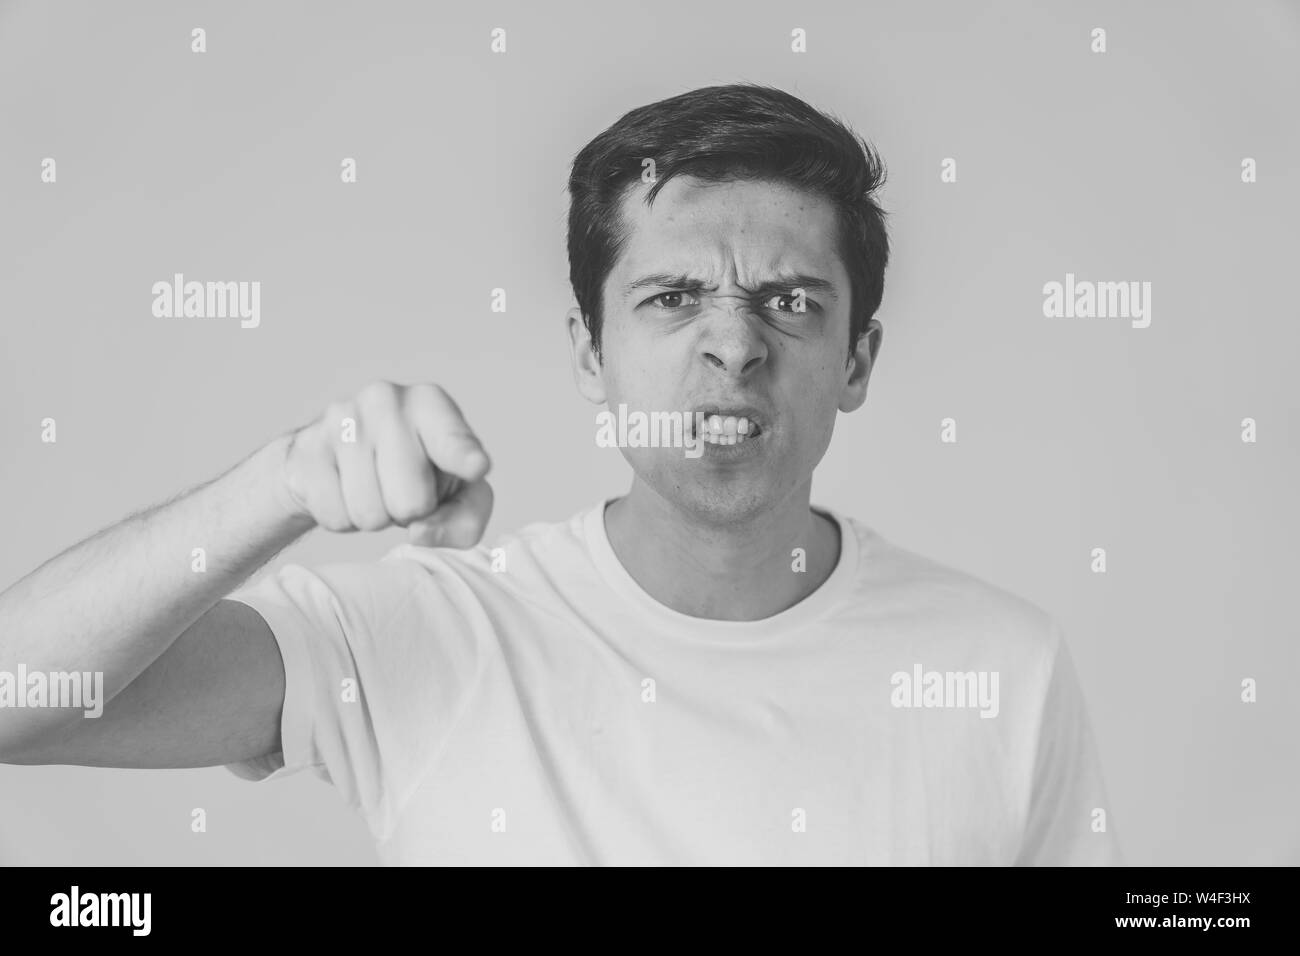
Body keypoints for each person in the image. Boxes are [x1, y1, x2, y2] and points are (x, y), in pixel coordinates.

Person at [0, 83, 1121, 866]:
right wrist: (282, 482)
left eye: (789, 300)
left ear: (856, 361)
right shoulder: (430, 632)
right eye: (671, 297)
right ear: (590, 352)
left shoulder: (1001, 668)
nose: (733, 347)